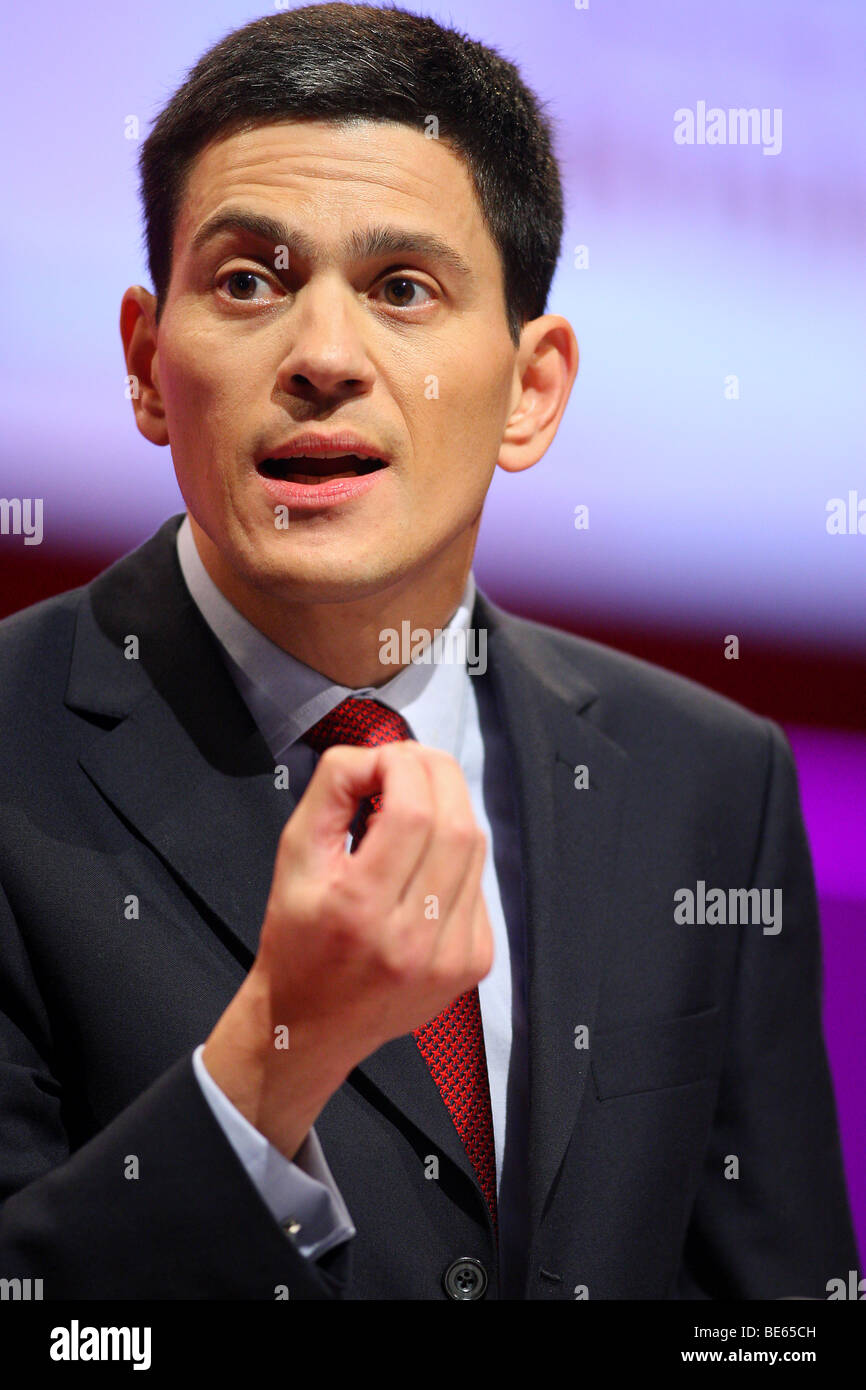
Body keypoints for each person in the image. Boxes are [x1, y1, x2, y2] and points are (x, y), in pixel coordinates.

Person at [0, 3, 857, 1301]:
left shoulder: (703, 781)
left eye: (402, 289)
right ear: (143, 362)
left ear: (530, 391)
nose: (324, 357)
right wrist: (273, 1061)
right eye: (248, 281)